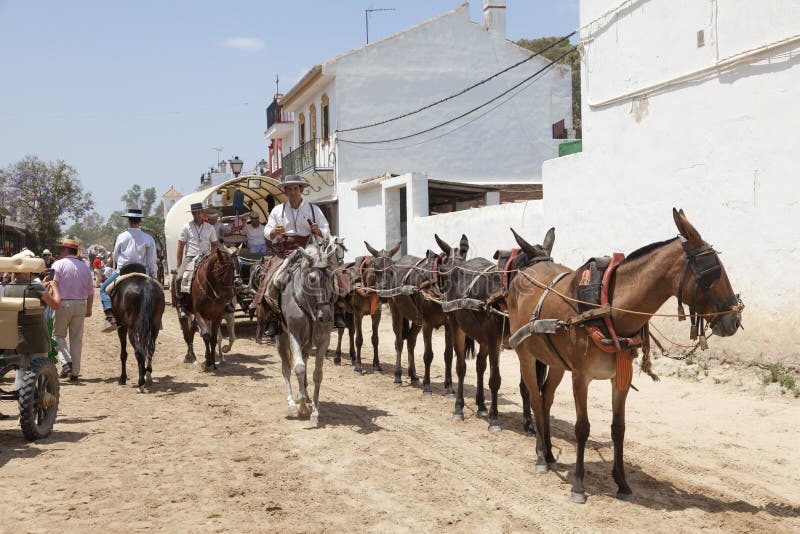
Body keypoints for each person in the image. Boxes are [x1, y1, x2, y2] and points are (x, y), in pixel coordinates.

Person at [258, 174, 342, 336]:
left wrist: (318, 230)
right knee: (270, 279)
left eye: (295, 188)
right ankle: (273, 317)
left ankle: (338, 310)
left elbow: (326, 231)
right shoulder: (278, 210)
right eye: (289, 189)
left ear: (301, 189)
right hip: (286, 252)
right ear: (285, 191)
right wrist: (275, 231)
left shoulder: (314, 209)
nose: (292, 192)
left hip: (311, 251)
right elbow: (267, 232)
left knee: (335, 275)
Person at [3, 250, 61, 394]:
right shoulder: (36, 287)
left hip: (18, 334)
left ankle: (20, 393)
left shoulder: (8, 287)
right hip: (37, 335)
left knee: (22, 367)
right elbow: (56, 305)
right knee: (41, 366)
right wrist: (55, 287)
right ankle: (41, 395)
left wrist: (42, 286)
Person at [100, 208, 159, 332]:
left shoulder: (121, 237)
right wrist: (154, 275)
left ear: (128, 221)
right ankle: (156, 319)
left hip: (123, 271)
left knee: (103, 289)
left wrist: (116, 270)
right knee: (158, 293)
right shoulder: (148, 238)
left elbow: (115, 256)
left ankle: (110, 317)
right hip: (142, 271)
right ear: (140, 221)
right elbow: (151, 260)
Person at [51, 235, 93, 381]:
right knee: (76, 339)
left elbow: (53, 285)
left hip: (62, 304)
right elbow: (90, 291)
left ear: (65, 250)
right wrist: (89, 309)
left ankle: (66, 362)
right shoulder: (85, 267)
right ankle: (75, 373)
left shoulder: (57, 264)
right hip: (81, 304)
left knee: (57, 336)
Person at [175, 202, 219, 319]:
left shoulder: (210, 227)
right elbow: (180, 246)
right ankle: (182, 304)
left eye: (199, 212)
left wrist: (212, 252)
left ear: (202, 213)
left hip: (206, 256)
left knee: (221, 274)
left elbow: (215, 244)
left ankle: (226, 302)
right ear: (192, 214)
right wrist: (179, 265)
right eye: (194, 213)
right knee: (179, 278)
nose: (197, 215)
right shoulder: (186, 227)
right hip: (190, 256)